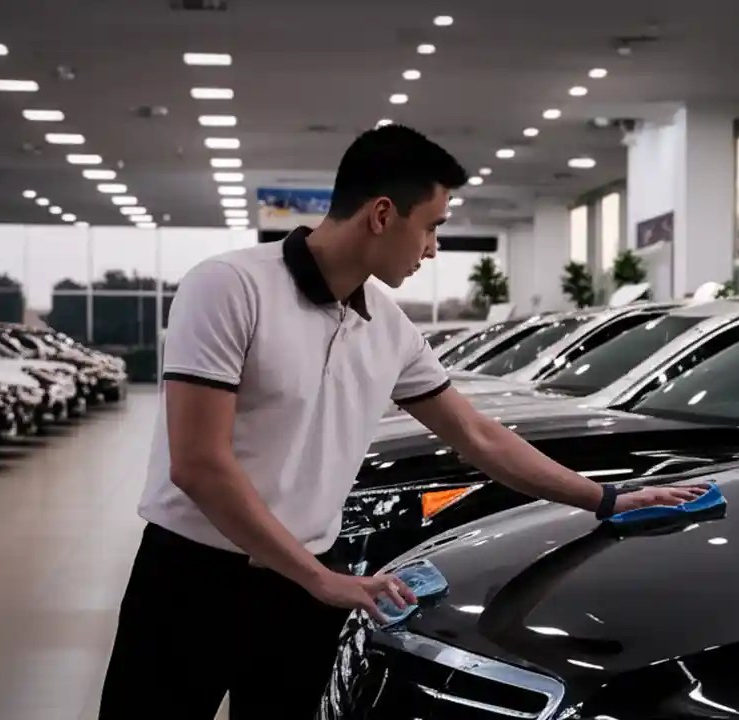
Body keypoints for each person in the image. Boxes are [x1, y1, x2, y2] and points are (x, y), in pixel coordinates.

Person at [97, 125, 704, 719]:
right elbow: (199, 464)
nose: (434, 248)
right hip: (193, 580)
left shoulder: (387, 327)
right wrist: (320, 578)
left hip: (303, 590)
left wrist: (606, 499)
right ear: (383, 214)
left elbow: (477, 435)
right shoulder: (230, 287)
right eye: (433, 226)